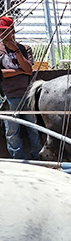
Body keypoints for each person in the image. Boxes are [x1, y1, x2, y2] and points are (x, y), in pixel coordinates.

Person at [0, 15, 43, 159]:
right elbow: (1, 73)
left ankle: (37, 156)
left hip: (27, 94)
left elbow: (29, 69)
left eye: (6, 31)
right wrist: (20, 71)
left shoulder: (24, 49)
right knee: (12, 131)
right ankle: (19, 159)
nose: (3, 35)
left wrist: (16, 51)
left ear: (13, 31)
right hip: (9, 95)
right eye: (0, 31)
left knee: (33, 128)